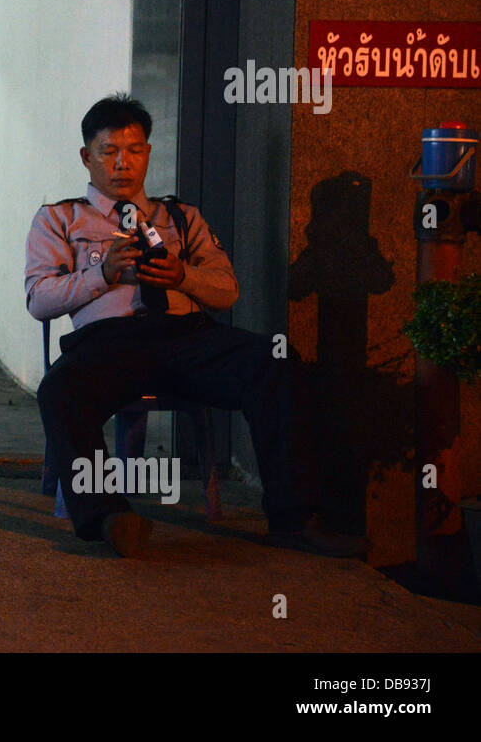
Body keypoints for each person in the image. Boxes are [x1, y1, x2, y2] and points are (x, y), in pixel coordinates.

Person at [25, 93, 363, 558]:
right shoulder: (59, 218)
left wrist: (183, 276)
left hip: (186, 338)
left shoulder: (180, 217)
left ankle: (295, 518)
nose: (124, 163)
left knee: (275, 362)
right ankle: (107, 517)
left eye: (136, 150)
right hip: (108, 343)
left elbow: (227, 291)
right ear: (87, 157)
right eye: (110, 151)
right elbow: (38, 299)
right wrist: (100, 276)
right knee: (59, 390)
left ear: (148, 152)